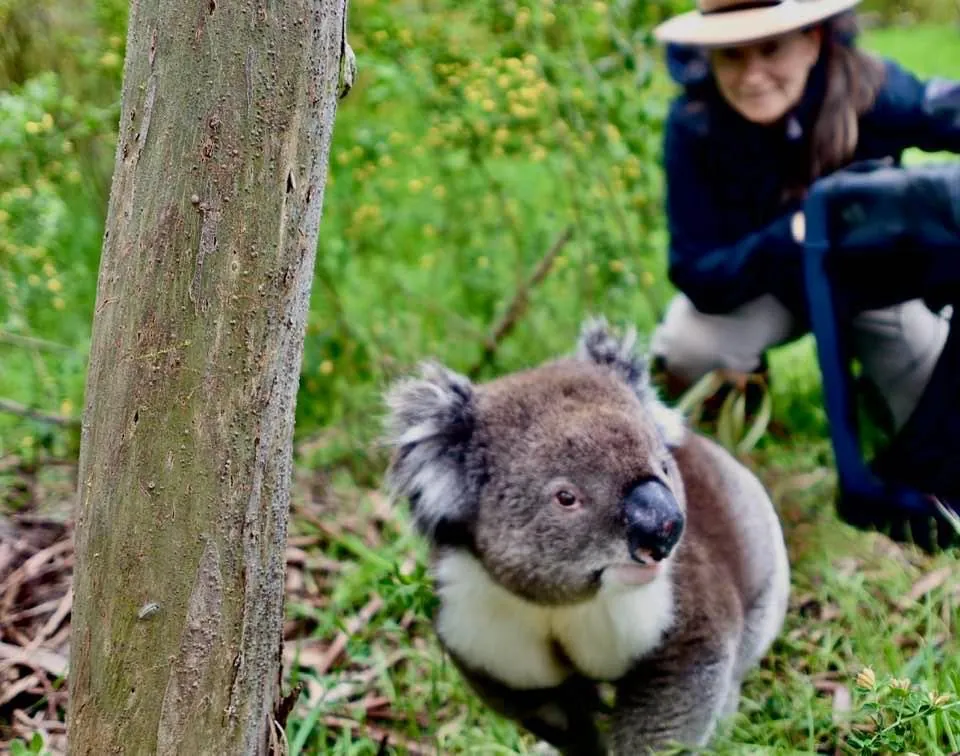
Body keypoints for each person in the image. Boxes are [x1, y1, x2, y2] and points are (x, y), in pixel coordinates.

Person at [648, 0, 960, 433]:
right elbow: (695, 269)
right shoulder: (695, 125)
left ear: (811, 42)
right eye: (732, 55)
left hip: (873, 284)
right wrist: (790, 236)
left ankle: (877, 393)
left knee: (934, 404)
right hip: (764, 285)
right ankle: (738, 403)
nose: (753, 75)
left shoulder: (866, 87)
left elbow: (941, 111)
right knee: (688, 347)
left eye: (771, 49)